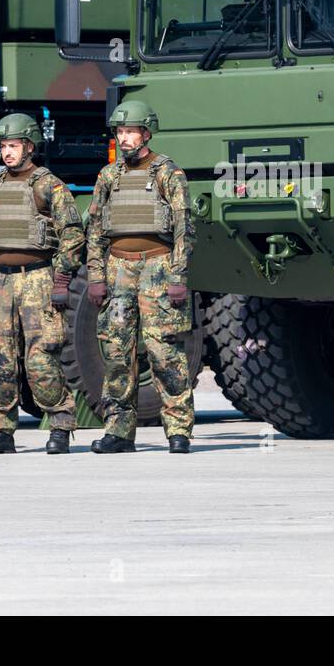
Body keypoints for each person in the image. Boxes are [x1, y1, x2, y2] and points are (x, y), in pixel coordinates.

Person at [0, 113, 85, 454]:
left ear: (30, 146)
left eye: (14, 146)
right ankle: (0, 430)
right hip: (0, 282)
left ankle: (61, 424)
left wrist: (62, 277)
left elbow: (73, 234)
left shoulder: (49, 185)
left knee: (41, 358)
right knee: (1, 358)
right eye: (3, 146)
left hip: (37, 278)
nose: (7, 153)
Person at [85, 100, 196, 453]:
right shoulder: (108, 176)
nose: (125, 138)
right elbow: (95, 230)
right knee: (117, 352)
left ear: (146, 133)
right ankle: (118, 431)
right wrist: (95, 275)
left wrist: (178, 276)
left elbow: (184, 228)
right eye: (120, 132)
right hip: (118, 269)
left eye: (130, 131)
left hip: (157, 268)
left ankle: (178, 430)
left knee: (164, 351)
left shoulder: (168, 173)